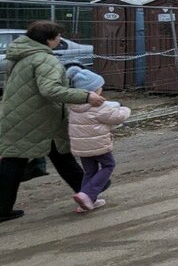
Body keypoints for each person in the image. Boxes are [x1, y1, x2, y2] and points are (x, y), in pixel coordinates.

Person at [0, 21, 105, 223]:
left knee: (57, 156)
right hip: (37, 117)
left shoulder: (21, 55)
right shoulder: (45, 60)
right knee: (17, 161)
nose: (59, 40)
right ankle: (90, 191)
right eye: (57, 37)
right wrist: (86, 96)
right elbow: (50, 90)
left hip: (21, 114)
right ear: (49, 40)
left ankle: (89, 192)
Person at [66, 67, 130, 213]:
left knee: (90, 171)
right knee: (108, 165)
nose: (101, 89)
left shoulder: (73, 105)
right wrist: (126, 110)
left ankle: (88, 201)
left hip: (81, 146)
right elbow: (116, 117)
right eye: (99, 87)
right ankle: (87, 195)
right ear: (93, 91)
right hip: (98, 144)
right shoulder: (99, 105)